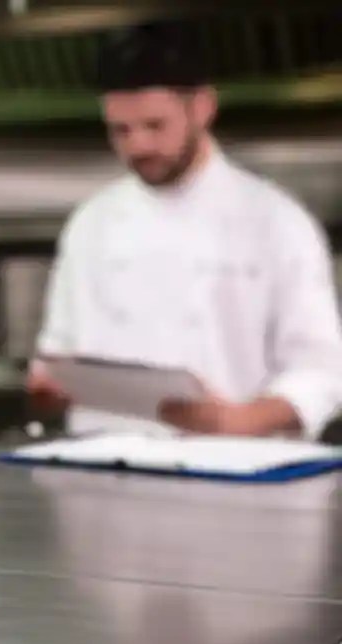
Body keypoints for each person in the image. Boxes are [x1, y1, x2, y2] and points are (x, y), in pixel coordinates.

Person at [28, 23, 342, 439]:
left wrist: (235, 422)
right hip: (104, 468)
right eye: (120, 131)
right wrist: (48, 386)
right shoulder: (92, 221)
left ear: (203, 108)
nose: (138, 146)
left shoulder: (276, 222)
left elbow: (321, 373)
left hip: (232, 474)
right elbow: (57, 352)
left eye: (155, 126)